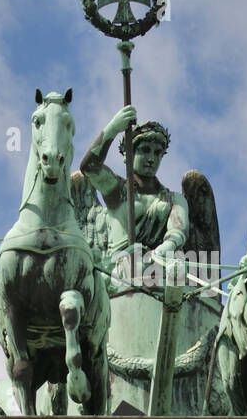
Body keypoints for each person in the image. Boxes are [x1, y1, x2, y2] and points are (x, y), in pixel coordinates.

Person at [80, 105, 189, 284]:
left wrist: (168, 245)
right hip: (117, 274)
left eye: (158, 152)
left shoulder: (174, 200)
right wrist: (113, 128)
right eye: (145, 150)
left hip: (159, 268)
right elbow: (89, 167)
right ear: (128, 155)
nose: (152, 158)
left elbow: (178, 230)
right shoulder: (117, 189)